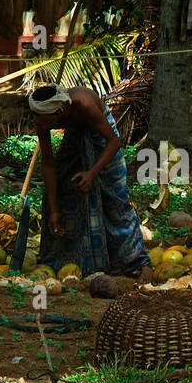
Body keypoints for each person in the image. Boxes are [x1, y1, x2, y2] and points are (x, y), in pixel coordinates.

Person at [29, 84, 153, 283]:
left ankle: (140, 263)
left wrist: (92, 173)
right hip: (74, 138)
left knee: (116, 200)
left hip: (102, 139)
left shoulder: (83, 103)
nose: (45, 125)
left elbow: (114, 141)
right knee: (63, 190)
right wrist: (54, 210)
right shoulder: (42, 119)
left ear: (60, 111)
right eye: (41, 121)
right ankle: (73, 260)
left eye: (48, 121)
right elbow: (49, 164)